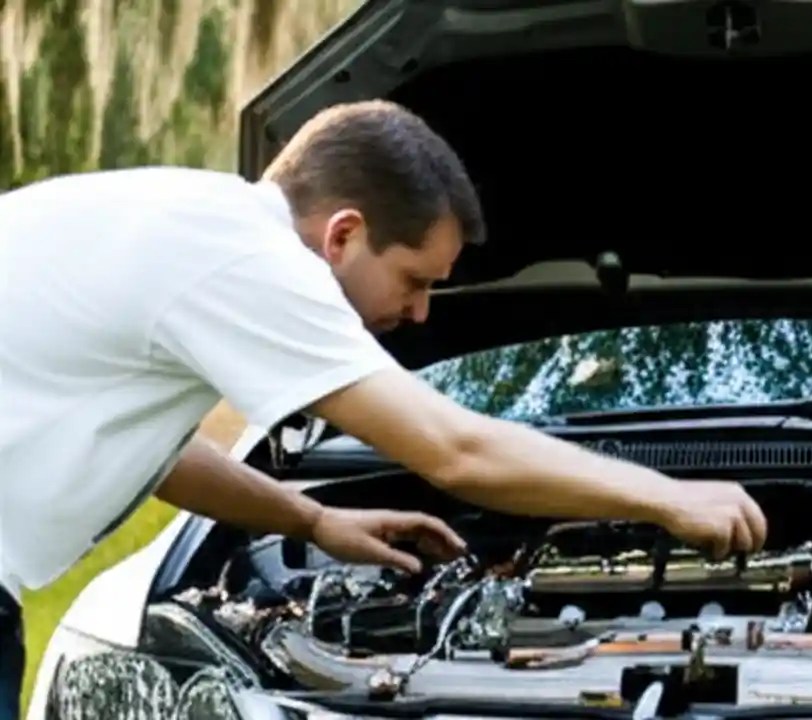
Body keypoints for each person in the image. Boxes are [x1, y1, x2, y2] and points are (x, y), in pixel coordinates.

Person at [0, 99, 767, 719]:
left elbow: (158, 457)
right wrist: (664, 497)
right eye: (415, 280)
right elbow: (453, 452)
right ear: (344, 234)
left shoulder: (187, 224)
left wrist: (312, 523)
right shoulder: (247, 261)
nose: (424, 313)